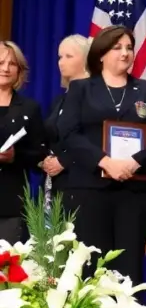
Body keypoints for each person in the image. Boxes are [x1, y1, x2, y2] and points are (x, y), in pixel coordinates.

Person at [57, 26, 146, 284]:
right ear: (101, 54)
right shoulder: (81, 89)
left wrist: (134, 162)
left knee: (129, 267)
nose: (125, 53)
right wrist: (105, 161)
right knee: (91, 264)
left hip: (134, 191)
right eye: (117, 47)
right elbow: (69, 132)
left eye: (129, 47)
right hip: (90, 189)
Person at [0, 41, 48, 243]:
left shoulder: (30, 108)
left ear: (19, 70)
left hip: (10, 201)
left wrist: (15, 156)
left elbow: (39, 155)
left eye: (12, 64)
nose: (5, 68)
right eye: (1, 62)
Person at [40, 35, 90, 201]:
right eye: (60, 57)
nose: (61, 62)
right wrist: (44, 160)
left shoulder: (94, 97)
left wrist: (64, 161)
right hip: (55, 183)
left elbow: (93, 137)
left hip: (81, 182)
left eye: (69, 56)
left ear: (86, 59)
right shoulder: (59, 100)